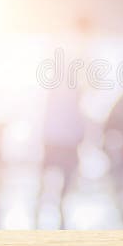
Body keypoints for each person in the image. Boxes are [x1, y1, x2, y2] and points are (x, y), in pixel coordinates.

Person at [37, 17, 92, 229]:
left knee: (57, 179)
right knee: (50, 179)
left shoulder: (70, 77)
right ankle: (48, 211)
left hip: (61, 135)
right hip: (58, 135)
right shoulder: (65, 73)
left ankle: (53, 212)